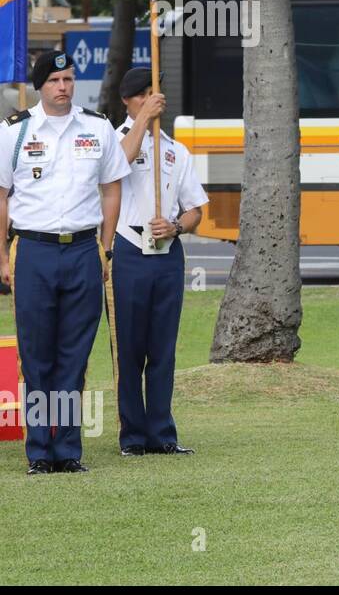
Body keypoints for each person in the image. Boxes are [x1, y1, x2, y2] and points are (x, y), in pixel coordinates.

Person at [0, 50, 130, 474]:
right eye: (55, 80)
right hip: (33, 250)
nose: (63, 87)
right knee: (37, 356)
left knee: (74, 355)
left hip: (82, 250)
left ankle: (68, 450)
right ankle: (40, 451)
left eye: (69, 79)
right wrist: (2, 254)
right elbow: (1, 196)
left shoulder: (97, 127)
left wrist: (105, 246)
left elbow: (112, 188)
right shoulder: (14, 132)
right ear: (41, 85)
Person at [113, 67, 209, 457]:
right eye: (144, 95)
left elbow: (197, 209)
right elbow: (118, 164)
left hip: (166, 253)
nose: (154, 100)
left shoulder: (175, 149)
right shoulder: (115, 139)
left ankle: (161, 433)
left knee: (163, 348)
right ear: (128, 100)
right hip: (128, 248)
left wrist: (175, 226)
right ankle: (132, 436)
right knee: (130, 347)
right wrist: (141, 120)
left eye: (157, 94)